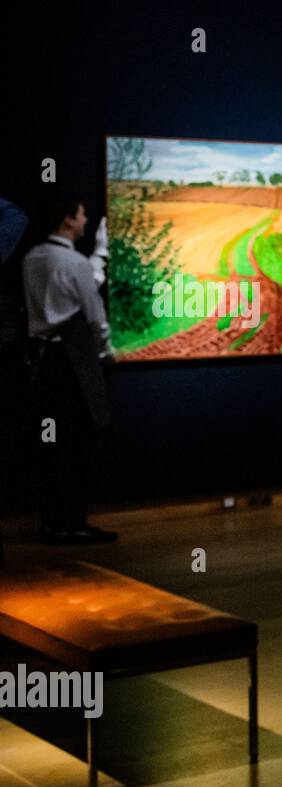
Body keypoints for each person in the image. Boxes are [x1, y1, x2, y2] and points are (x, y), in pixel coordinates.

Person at [21, 190, 118, 544]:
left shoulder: (33, 257)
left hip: (46, 360)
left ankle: (53, 520)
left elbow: (78, 283)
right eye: (81, 214)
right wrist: (107, 352)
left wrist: (99, 253)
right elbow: (94, 315)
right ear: (68, 219)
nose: (85, 220)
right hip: (74, 362)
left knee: (52, 444)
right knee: (78, 443)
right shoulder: (73, 264)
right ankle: (74, 522)